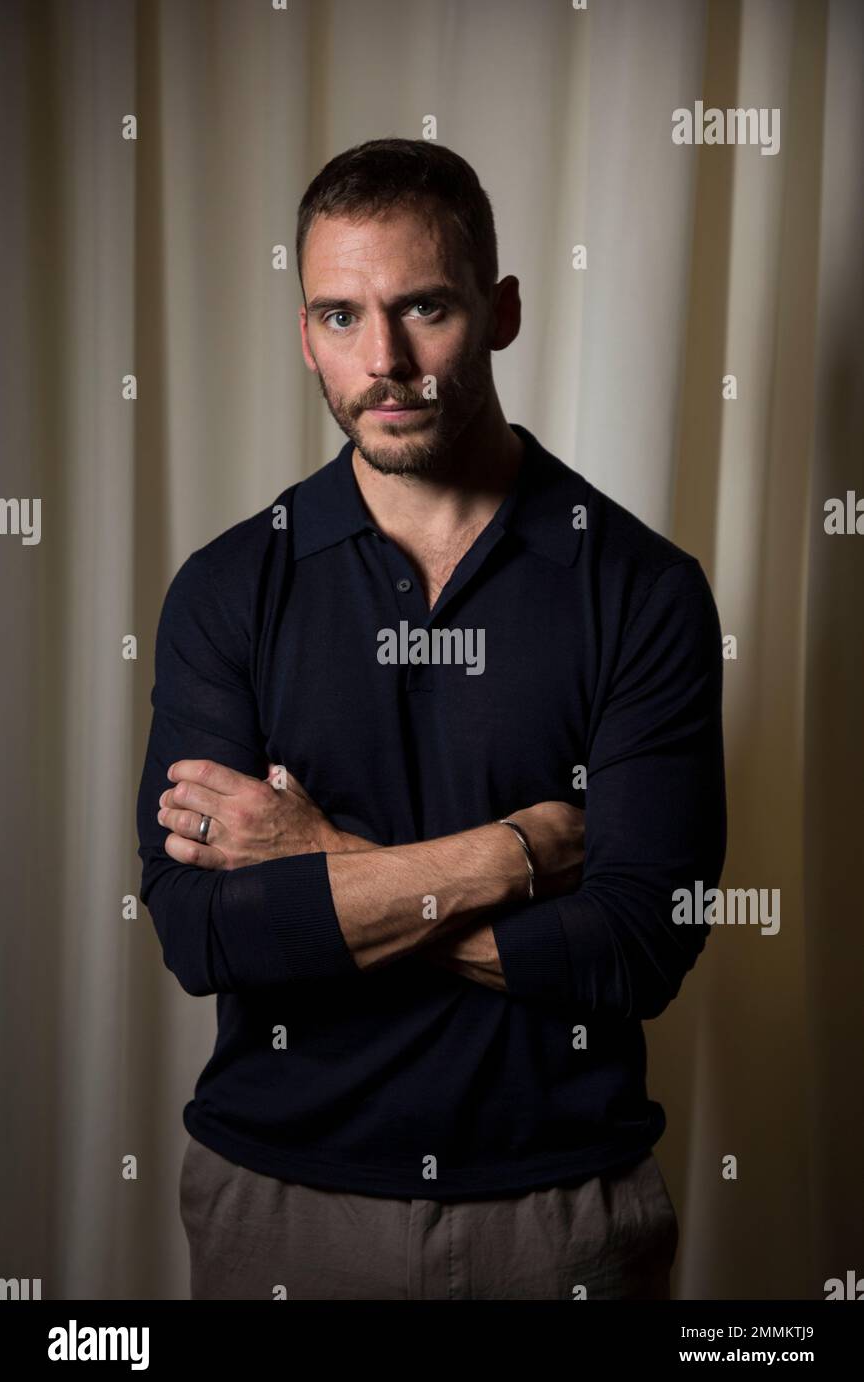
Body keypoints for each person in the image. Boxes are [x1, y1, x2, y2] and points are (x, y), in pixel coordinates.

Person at [136, 137, 726, 1301]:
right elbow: (205, 934)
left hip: (559, 1217)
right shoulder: (225, 587)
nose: (386, 361)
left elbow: (636, 947)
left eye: (425, 309)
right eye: (341, 316)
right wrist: (510, 856)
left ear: (500, 311)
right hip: (277, 1207)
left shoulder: (641, 587)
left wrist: (317, 865)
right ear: (304, 332)